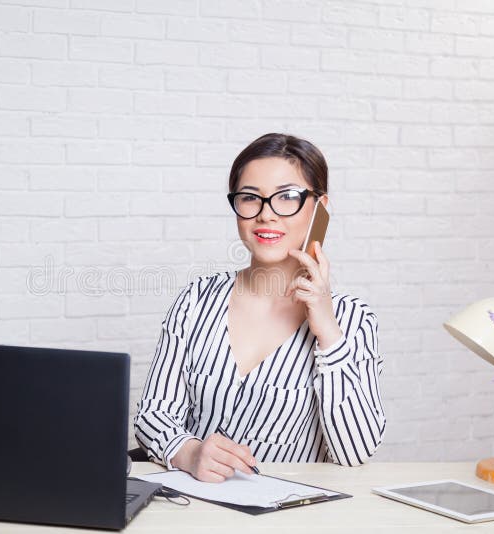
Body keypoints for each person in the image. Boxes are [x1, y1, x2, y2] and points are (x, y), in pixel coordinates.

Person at [133, 133, 386, 482]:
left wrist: (327, 331)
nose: (266, 214)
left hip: (289, 515)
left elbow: (354, 452)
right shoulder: (196, 300)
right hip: (194, 508)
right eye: (250, 198)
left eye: (287, 197)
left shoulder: (353, 320)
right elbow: (153, 414)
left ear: (320, 209)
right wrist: (188, 452)